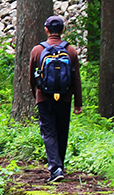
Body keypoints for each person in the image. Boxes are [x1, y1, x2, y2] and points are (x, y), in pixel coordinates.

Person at [28, 15, 83, 183]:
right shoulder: (71, 50)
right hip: (65, 98)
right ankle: (60, 166)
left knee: (48, 132)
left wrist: (36, 95)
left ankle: (55, 168)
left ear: (46, 30)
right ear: (63, 30)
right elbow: (76, 79)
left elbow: (31, 77)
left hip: (44, 97)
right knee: (62, 131)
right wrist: (78, 102)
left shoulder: (37, 50)